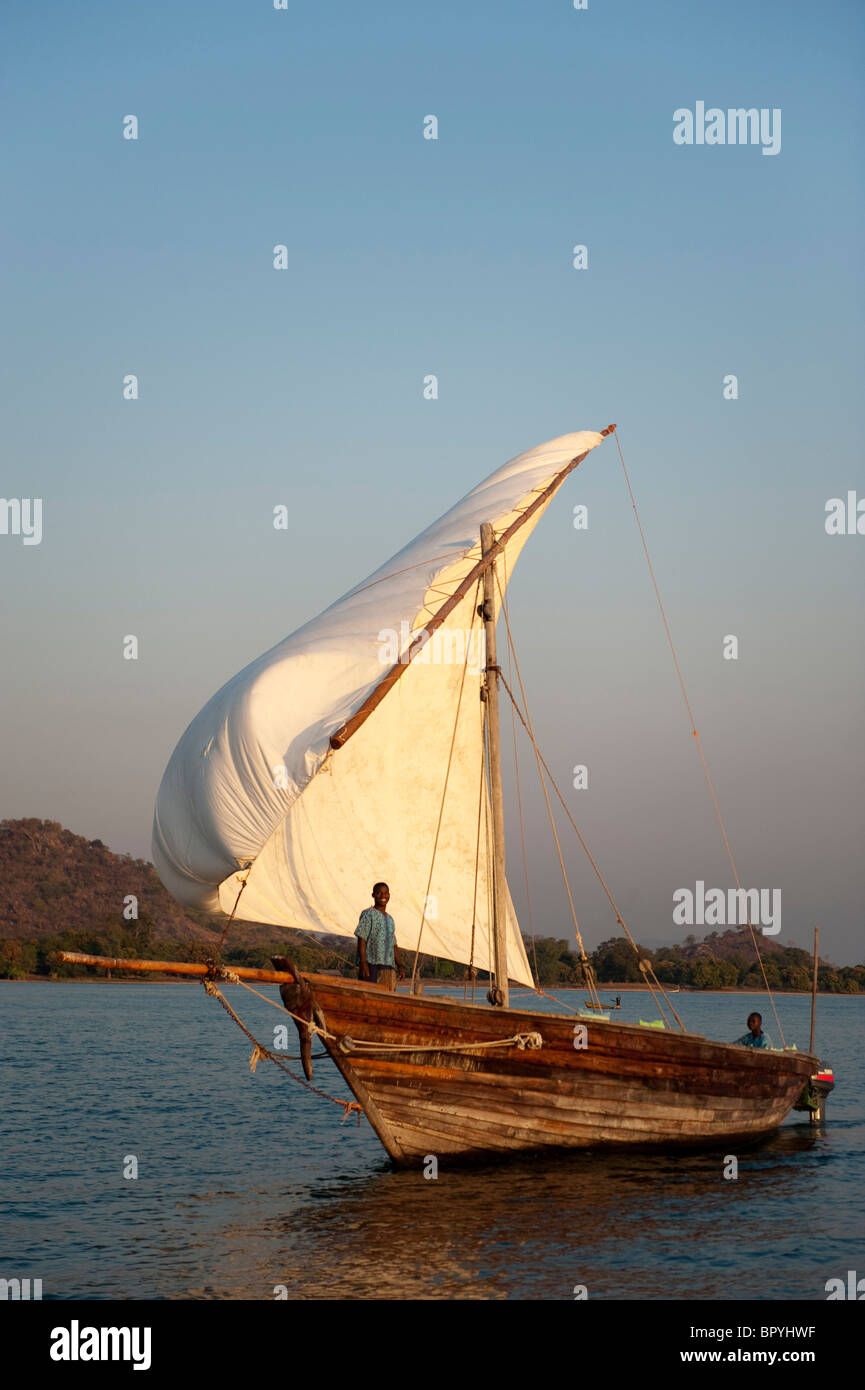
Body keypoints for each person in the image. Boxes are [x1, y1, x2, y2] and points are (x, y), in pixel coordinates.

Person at [355, 882, 404, 990]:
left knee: (387, 995)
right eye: (379, 893)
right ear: (373, 895)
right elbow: (362, 938)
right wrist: (363, 963)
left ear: (389, 895)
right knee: (369, 994)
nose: (383, 896)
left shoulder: (390, 919)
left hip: (388, 967)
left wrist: (400, 965)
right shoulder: (368, 914)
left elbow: (393, 944)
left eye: (386, 893)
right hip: (371, 964)